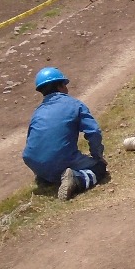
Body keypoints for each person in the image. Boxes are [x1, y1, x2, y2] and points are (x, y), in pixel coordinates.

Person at [22, 67, 107, 200]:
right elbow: (94, 132)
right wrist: (97, 156)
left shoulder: (37, 112)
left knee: (53, 167)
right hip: (61, 158)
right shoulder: (75, 105)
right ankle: (76, 180)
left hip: (33, 162)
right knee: (99, 168)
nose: (67, 89)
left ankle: (46, 177)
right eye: (65, 85)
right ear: (60, 86)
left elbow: (32, 140)